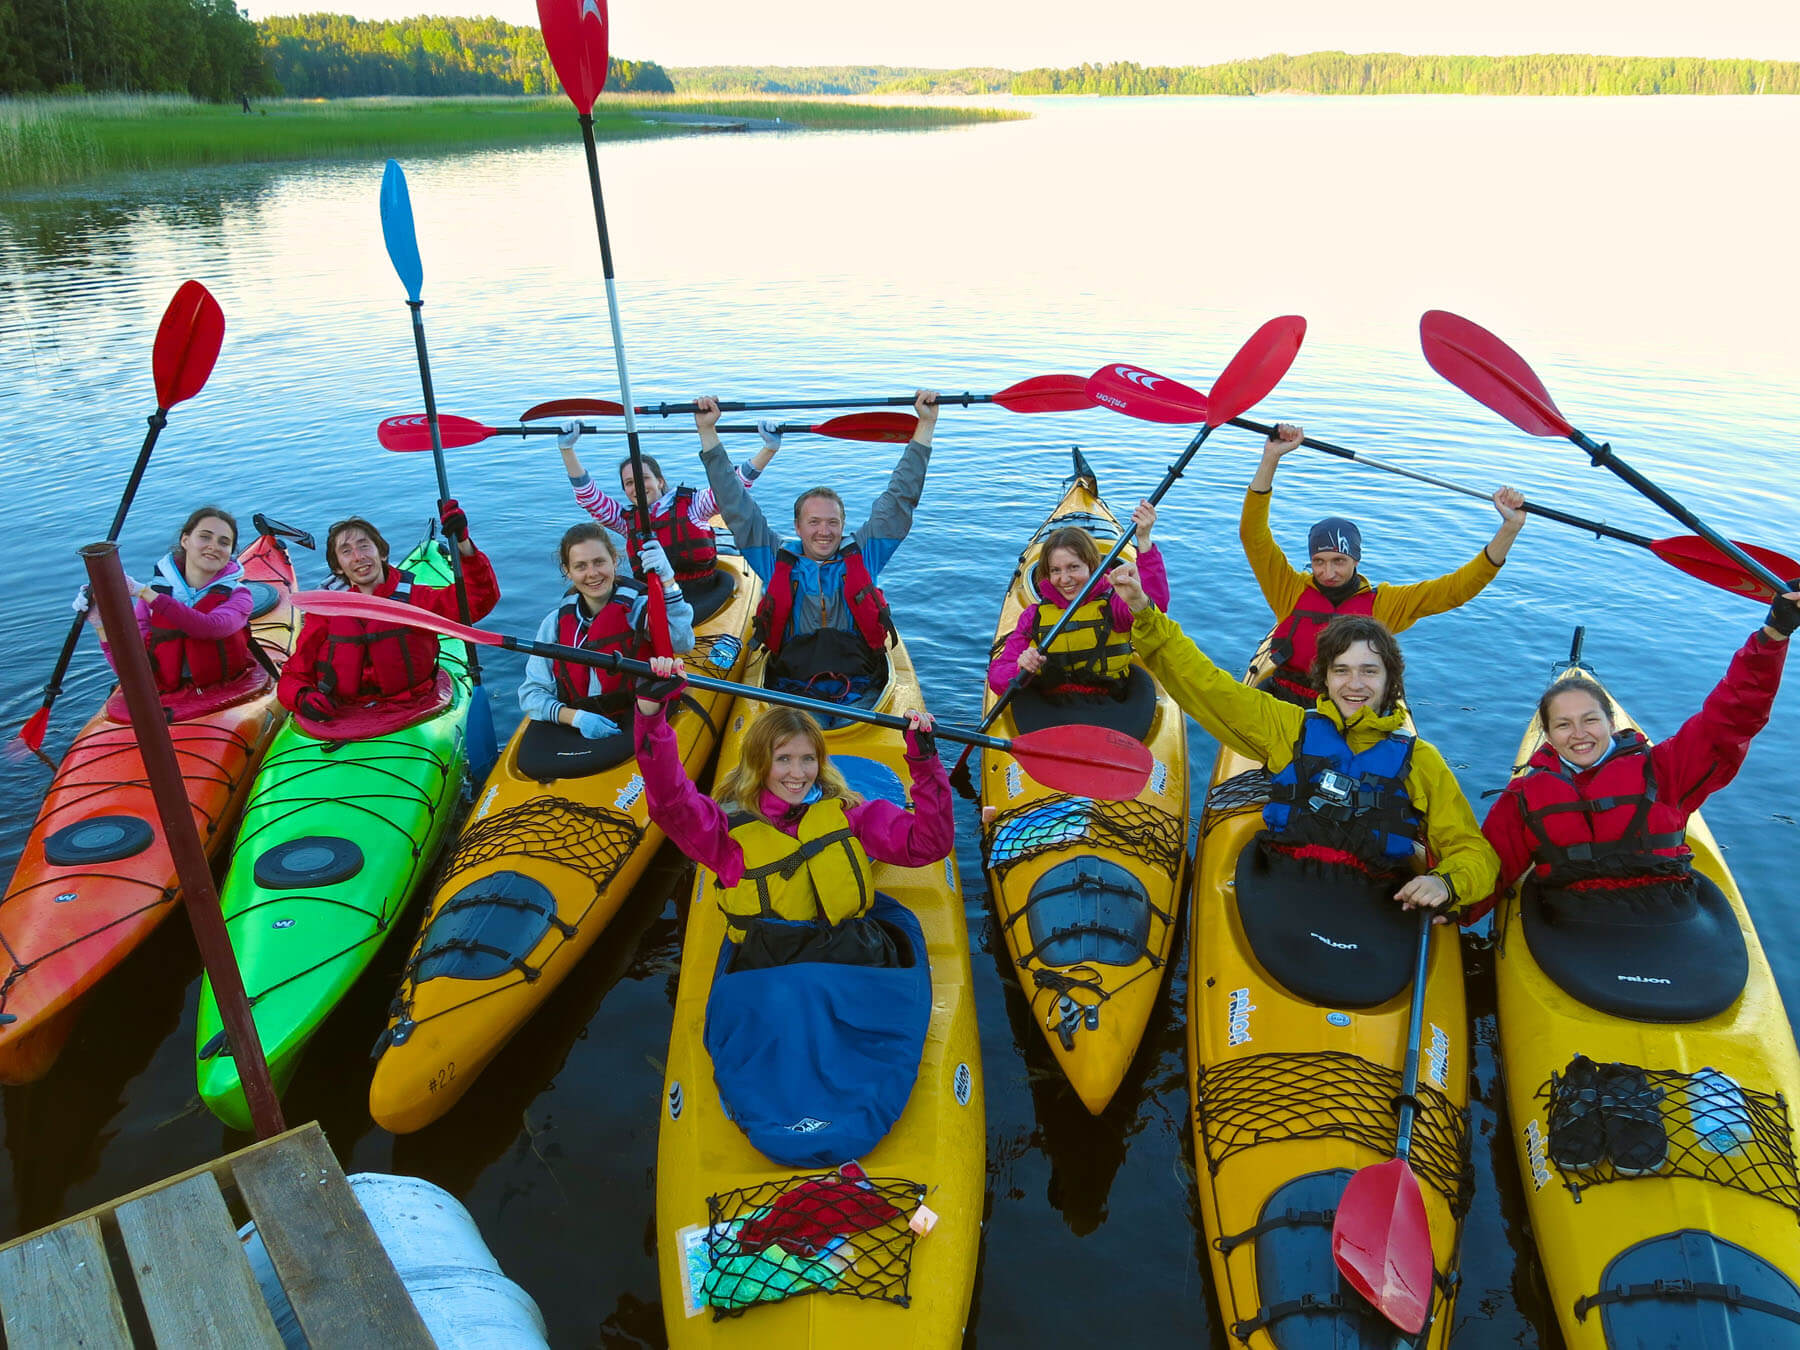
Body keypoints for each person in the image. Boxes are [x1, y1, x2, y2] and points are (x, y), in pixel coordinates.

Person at [1111, 560, 1499, 918]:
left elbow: (1473, 851)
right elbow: (1206, 683)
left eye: (1369, 671)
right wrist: (1144, 610)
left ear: (1390, 680)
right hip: (1285, 878)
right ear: (1324, 679)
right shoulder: (1289, 727)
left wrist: (1446, 883)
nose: (1355, 684)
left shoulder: (1420, 760)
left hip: (1373, 899)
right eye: (1341, 671)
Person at [1481, 586, 1799, 920]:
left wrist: (1774, 634)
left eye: (1590, 720)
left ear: (1611, 722)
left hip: (1667, 914)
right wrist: (1450, 895)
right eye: (1563, 725)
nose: (1579, 734)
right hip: (1574, 920)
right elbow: (1488, 870)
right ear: (1547, 735)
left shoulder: (1666, 769)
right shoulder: (1522, 798)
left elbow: (1733, 717)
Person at [632, 655, 950, 970]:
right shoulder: (725, 833)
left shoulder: (849, 814)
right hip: (771, 969)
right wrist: (651, 714)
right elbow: (670, 800)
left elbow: (928, 844)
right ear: (758, 763)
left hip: (844, 954)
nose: (798, 774)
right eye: (783, 759)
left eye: (807, 759)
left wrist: (925, 763)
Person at [1243, 423, 1528, 703]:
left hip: (1349, 707)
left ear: (1356, 559)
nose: (1328, 572)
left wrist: (1509, 529)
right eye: (1319, 561)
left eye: (1339, 561)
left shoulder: (1384, 604)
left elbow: (1456, 590)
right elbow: (1253, 535)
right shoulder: (1289, 590)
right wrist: (1271, 458)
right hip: (1285, 701)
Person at [698, 390, 940, 703]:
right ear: (797, 527)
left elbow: (900, 498)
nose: (824, 532)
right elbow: (734, 503)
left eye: (832, 522)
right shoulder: (775, 559)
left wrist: (926, 425)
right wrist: (708, 430)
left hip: (862, 689)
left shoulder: (865, 555)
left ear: (843, 525)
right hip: (792, 690)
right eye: (813, 522)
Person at [277, 502, 499, 738]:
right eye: (346, 551)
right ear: (338, 567)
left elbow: (477, 601)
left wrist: (463, 544)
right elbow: (294, 675)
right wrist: (301, 696)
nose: (358, 557)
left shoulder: (418, 600)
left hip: (413, 706)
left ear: (381, 553)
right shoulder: (325, 612)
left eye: (364, 546)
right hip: (342, 714)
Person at [514, 524, 693, 775]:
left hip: (637, 717)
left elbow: (683, 642)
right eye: (581, 566)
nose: (592, 574)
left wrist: (668, 582)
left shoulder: (639, 610)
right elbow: (531, 695)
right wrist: (575, 718)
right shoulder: (554, 624)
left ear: (614, 560)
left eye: (599, 562)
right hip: (578, 722)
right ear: (567, 571)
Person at [557, 418, 779, 615]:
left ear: (660, 481)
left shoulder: (694, 506)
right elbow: (589, 499)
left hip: (705, 595)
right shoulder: (625, 521)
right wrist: (567, 449)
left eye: (643, 478)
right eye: (629, 483)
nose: (637, 487)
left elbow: (731, 489)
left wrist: (769, 449)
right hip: (656, 602)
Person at [80, 505, 264, 719]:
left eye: (224, 542)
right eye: (205, 537)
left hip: (227, 689)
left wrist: (143, 592)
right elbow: (132, 668)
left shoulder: (239, 596)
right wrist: (100, 623)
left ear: (230, 552)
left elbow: (211, 627)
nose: (214, 546)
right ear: (185, 540)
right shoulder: (153, 595)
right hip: (167, 695)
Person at [988, 501, 1168, 705]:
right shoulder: (1033, 616)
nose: (1065, 579)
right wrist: (1020, 668)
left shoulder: (1114, 605)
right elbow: (997, 679)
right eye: (1056, 570)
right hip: (1054, 706)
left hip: (1110, 702)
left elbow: (1156, 607)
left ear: (1091, 566)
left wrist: (1144, 541)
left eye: (1073, 567)